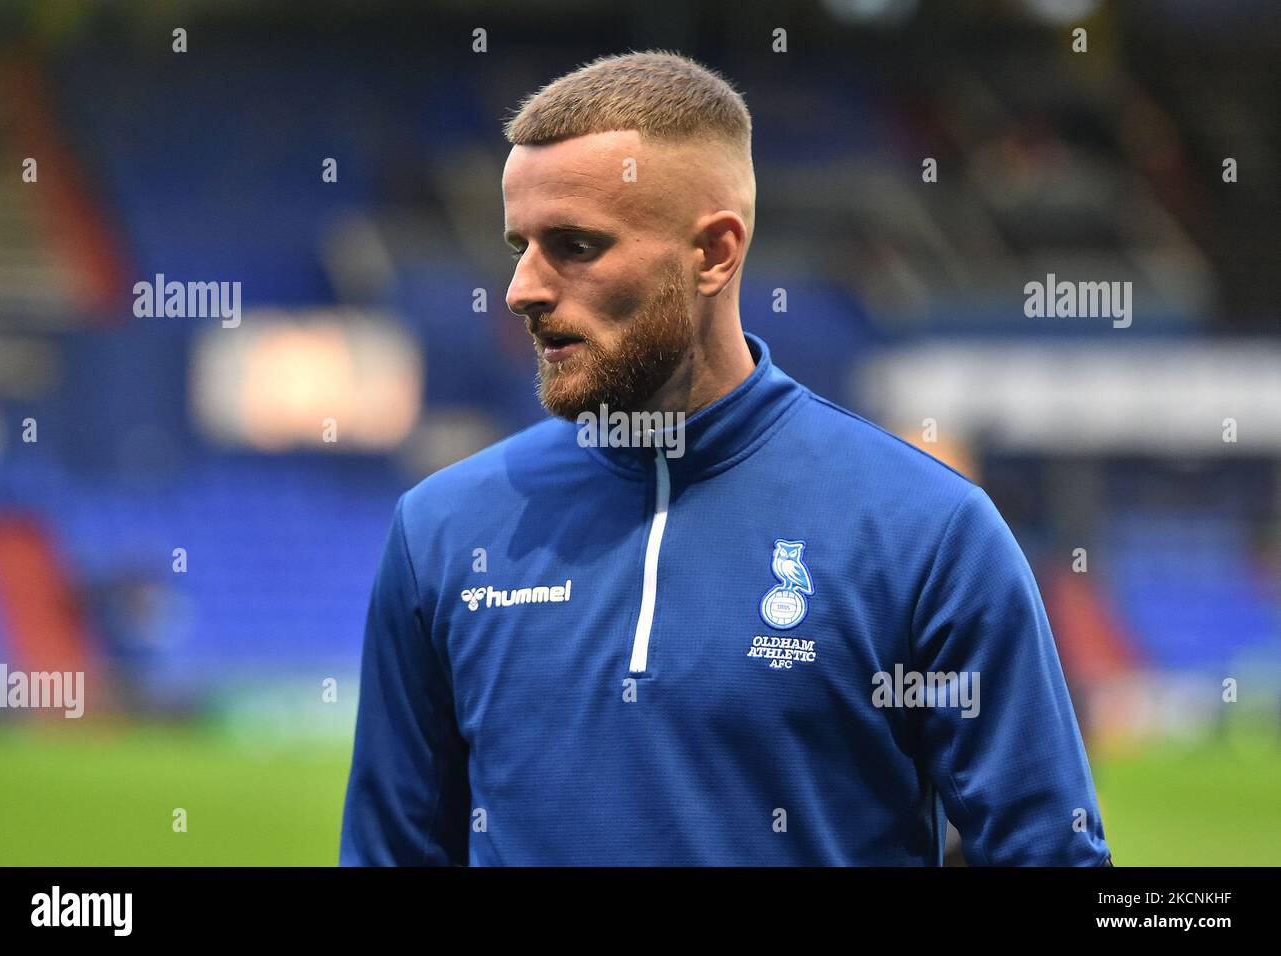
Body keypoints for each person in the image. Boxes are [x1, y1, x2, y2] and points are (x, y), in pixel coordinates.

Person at [339, 50, 1112, 866]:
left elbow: (1045, 853)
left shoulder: (929, 532)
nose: (523, 288)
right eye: (519, 245)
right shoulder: (442, 530)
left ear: (713, 254)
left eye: (574, 245)